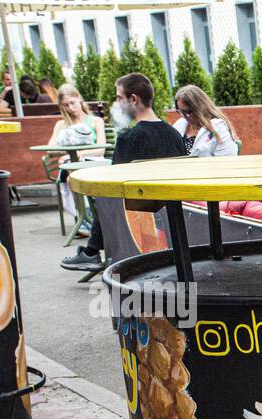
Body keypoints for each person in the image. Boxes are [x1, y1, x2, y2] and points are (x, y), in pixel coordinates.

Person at [61, 73, 186, 272]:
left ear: (134, 99)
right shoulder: (174, 134)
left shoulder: (130, 137)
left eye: (119, 98)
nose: (116, 103)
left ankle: (92, 252)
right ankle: (91, 252)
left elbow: (114, 184)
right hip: (176, 211)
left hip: (139, 213)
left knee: (103, 195)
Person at [48, 84, 106, 223]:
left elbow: (100, 149)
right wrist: (69, 153)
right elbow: (50, 149)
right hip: (70, 164)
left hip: (93, 162)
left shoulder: (95, 121)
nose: (71, 108)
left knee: (72, 177)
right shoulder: (61, 124)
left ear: (79, 98)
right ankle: (85, 218)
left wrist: (81, 153)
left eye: (72, 103)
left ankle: (84, 219)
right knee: (72, 175)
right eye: (66, 105)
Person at [172, 84, 240, 157]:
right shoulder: (180, 124)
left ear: (200, 108)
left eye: (188, 112)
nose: (184, 116)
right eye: (180, 112)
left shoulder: (218, 128)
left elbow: (227, 161)